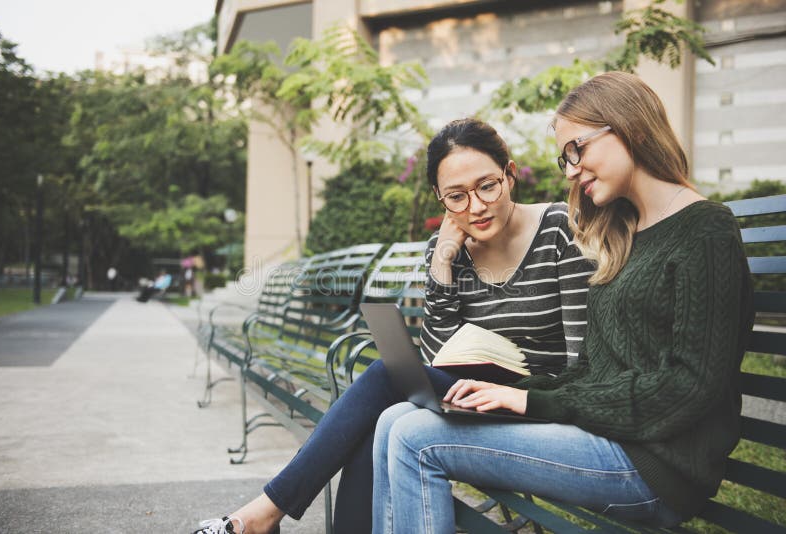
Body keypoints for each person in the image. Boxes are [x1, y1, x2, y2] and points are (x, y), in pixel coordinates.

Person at [371, 71, 755, 534]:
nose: (570, 169)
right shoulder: (623, 233)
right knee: (394, 420)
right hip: (604, 436)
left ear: (628, 127)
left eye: (578, 149)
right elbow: (592, 369)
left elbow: (689, 387)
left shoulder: (705, 231)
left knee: (416, 438)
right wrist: (517, 396)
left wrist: (530, 401)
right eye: (565, 157)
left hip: (656, 465)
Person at [193, 118, 594, 534]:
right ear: (440, 199)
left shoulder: (561, 230)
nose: (475, 206)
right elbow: (440, 358)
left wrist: (516, 393)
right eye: (456, 196)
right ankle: (267, 516)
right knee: (387, 418)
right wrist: (442, 266)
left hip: (537, 405)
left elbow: (579, 362)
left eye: (487, 186)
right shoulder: (447, 250)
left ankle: (264, 513)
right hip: (469, 395)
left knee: (385, 378)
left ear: (509, 175)